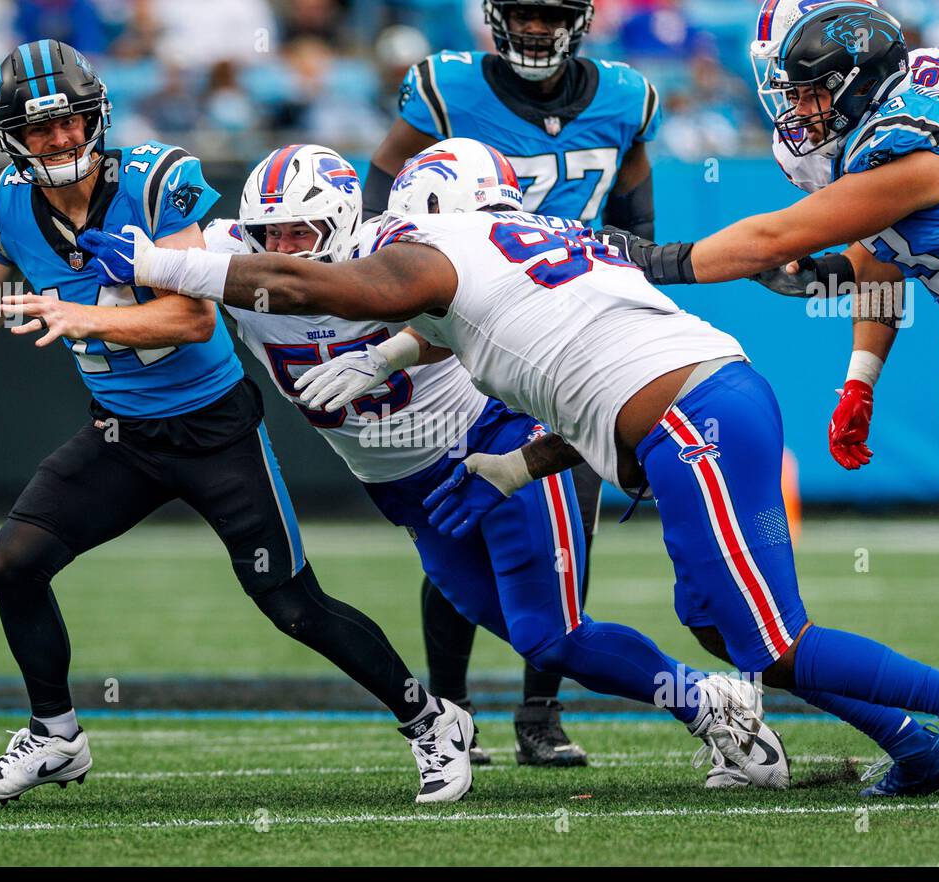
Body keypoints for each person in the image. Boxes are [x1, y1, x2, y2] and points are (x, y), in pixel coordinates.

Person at [79, 138, 939, 798]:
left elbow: (305, 281)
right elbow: (587, 383)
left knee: (771, 641)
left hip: (690, 419)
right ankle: (916, 743)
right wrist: (514, 469)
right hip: (691, 409)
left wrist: (163, 263)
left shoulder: (434, 247)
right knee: (719, 621)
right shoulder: (546, 241)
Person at [0, 41, 475, 807]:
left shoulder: (155, 181)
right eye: (40, 129)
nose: (60, 141)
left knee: (290, 603)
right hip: (121, 433)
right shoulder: (3, 203)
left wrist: (79, 313)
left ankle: (429, 721)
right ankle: (56, 736)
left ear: (98, 118)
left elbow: (190, 317)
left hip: (214, 428)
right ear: (10, 137)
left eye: (72, 123)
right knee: (11, 564)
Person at [191, 139, 788, 787]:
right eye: (267, 234)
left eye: (296, 232)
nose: (279, 250)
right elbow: (168, 256)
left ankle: (713, 711)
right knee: (511, 623)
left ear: (340, 222)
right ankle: (711, 697)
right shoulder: (233, 254)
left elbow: (468, 308)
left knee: (551, 635)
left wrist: (385, 354)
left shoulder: (391, 246)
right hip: (400, 483)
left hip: (493, 438)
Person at [608, 3, 939, 736]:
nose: (800, 107)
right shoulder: (884, 135)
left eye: (813, 90)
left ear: (859, 83)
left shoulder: (902, 143)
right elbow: (884, 251)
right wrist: (826, 285)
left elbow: (773, 234)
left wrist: (654, 259)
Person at [362, 0, 661, 766]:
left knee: (568, 531)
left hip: (573, 337)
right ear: (495, 16)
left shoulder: (627, 97)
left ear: (580, 20)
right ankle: (453, 706)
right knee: (463, 518)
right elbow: (381, 186)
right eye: (521, 12)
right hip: (468, 331)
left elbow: (637, 215)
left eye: (549, 13)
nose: (534, 27)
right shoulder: (448, 88)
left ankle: (540, 713)